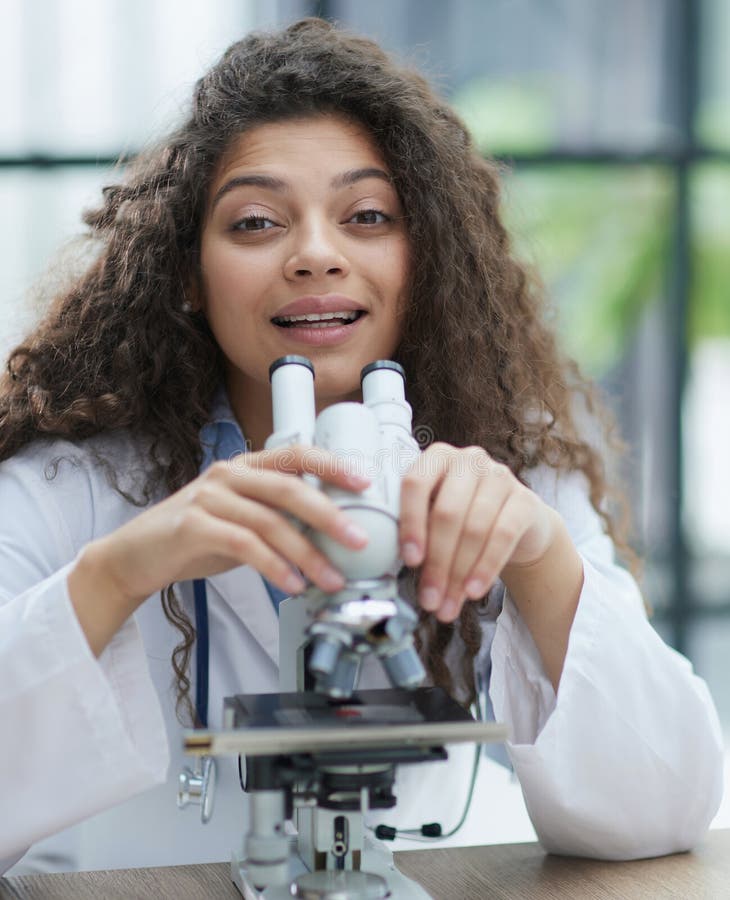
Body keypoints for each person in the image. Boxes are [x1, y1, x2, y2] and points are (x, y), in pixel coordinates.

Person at [0, 17, 722, 875]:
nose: (315, 254)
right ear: (187, 273)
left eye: (368, 216)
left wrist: (539, 558)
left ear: (426, 259)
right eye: (258, 222)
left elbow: (664, 807)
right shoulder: (68, 491)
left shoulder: (507, 477)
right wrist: (117, 574)